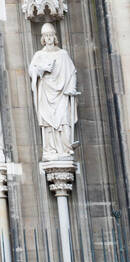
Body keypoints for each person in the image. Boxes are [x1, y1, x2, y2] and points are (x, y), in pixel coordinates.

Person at [29, 22, 78, 159]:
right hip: (46, 93)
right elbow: (32, 70)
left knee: (63, 121)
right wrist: (42, 69)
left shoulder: (63, 54)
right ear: (43, 38)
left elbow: (72, 72)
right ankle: (50, 150)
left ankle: (65, 149)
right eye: (46, 35)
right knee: (48, 124)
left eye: (51, 35)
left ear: (54, 36)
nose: (49, 38)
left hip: (61, 94)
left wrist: (72, 87)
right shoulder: (39, 55)